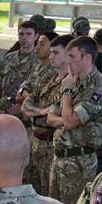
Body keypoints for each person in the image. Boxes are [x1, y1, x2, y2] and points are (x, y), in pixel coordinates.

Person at [46, 36, 102, 204]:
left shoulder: (99, 86)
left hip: (80, 162)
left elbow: (69, 122)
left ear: (87, 58)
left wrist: (67, 93)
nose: (67, 61)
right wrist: (67, 119)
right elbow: (51, 118)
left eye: (72, 56)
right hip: (60, 158)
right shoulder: (71, 80)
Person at [18, 33, 66, 195]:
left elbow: (54, 116)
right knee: (31, 192)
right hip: (36, 143)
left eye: (56, 52)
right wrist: (40, 112)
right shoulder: (47, 77)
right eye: (51, 52)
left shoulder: (71, 84)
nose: (51, 57)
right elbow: (25, 104)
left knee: (47, 197)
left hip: (51, 147)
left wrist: (38, 112)